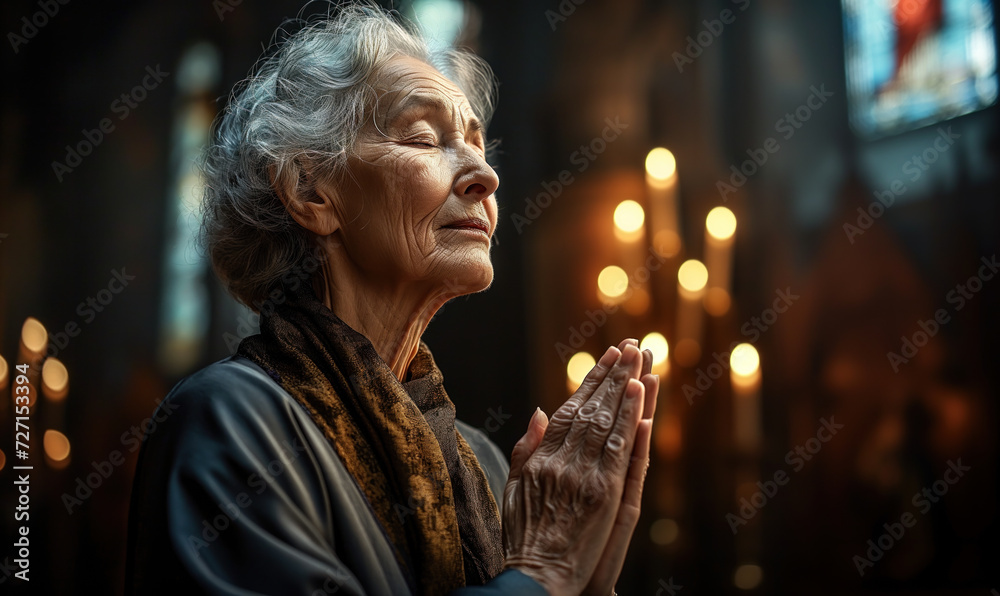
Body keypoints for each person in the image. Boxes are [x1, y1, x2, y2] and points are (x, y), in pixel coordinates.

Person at [125, 4, 659, 595]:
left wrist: (586, 580)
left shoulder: (485, 465)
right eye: (425, 139)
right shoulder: (227, 422)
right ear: (310, 190)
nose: (485, 174)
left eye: (480, 145)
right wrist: (543, 572)